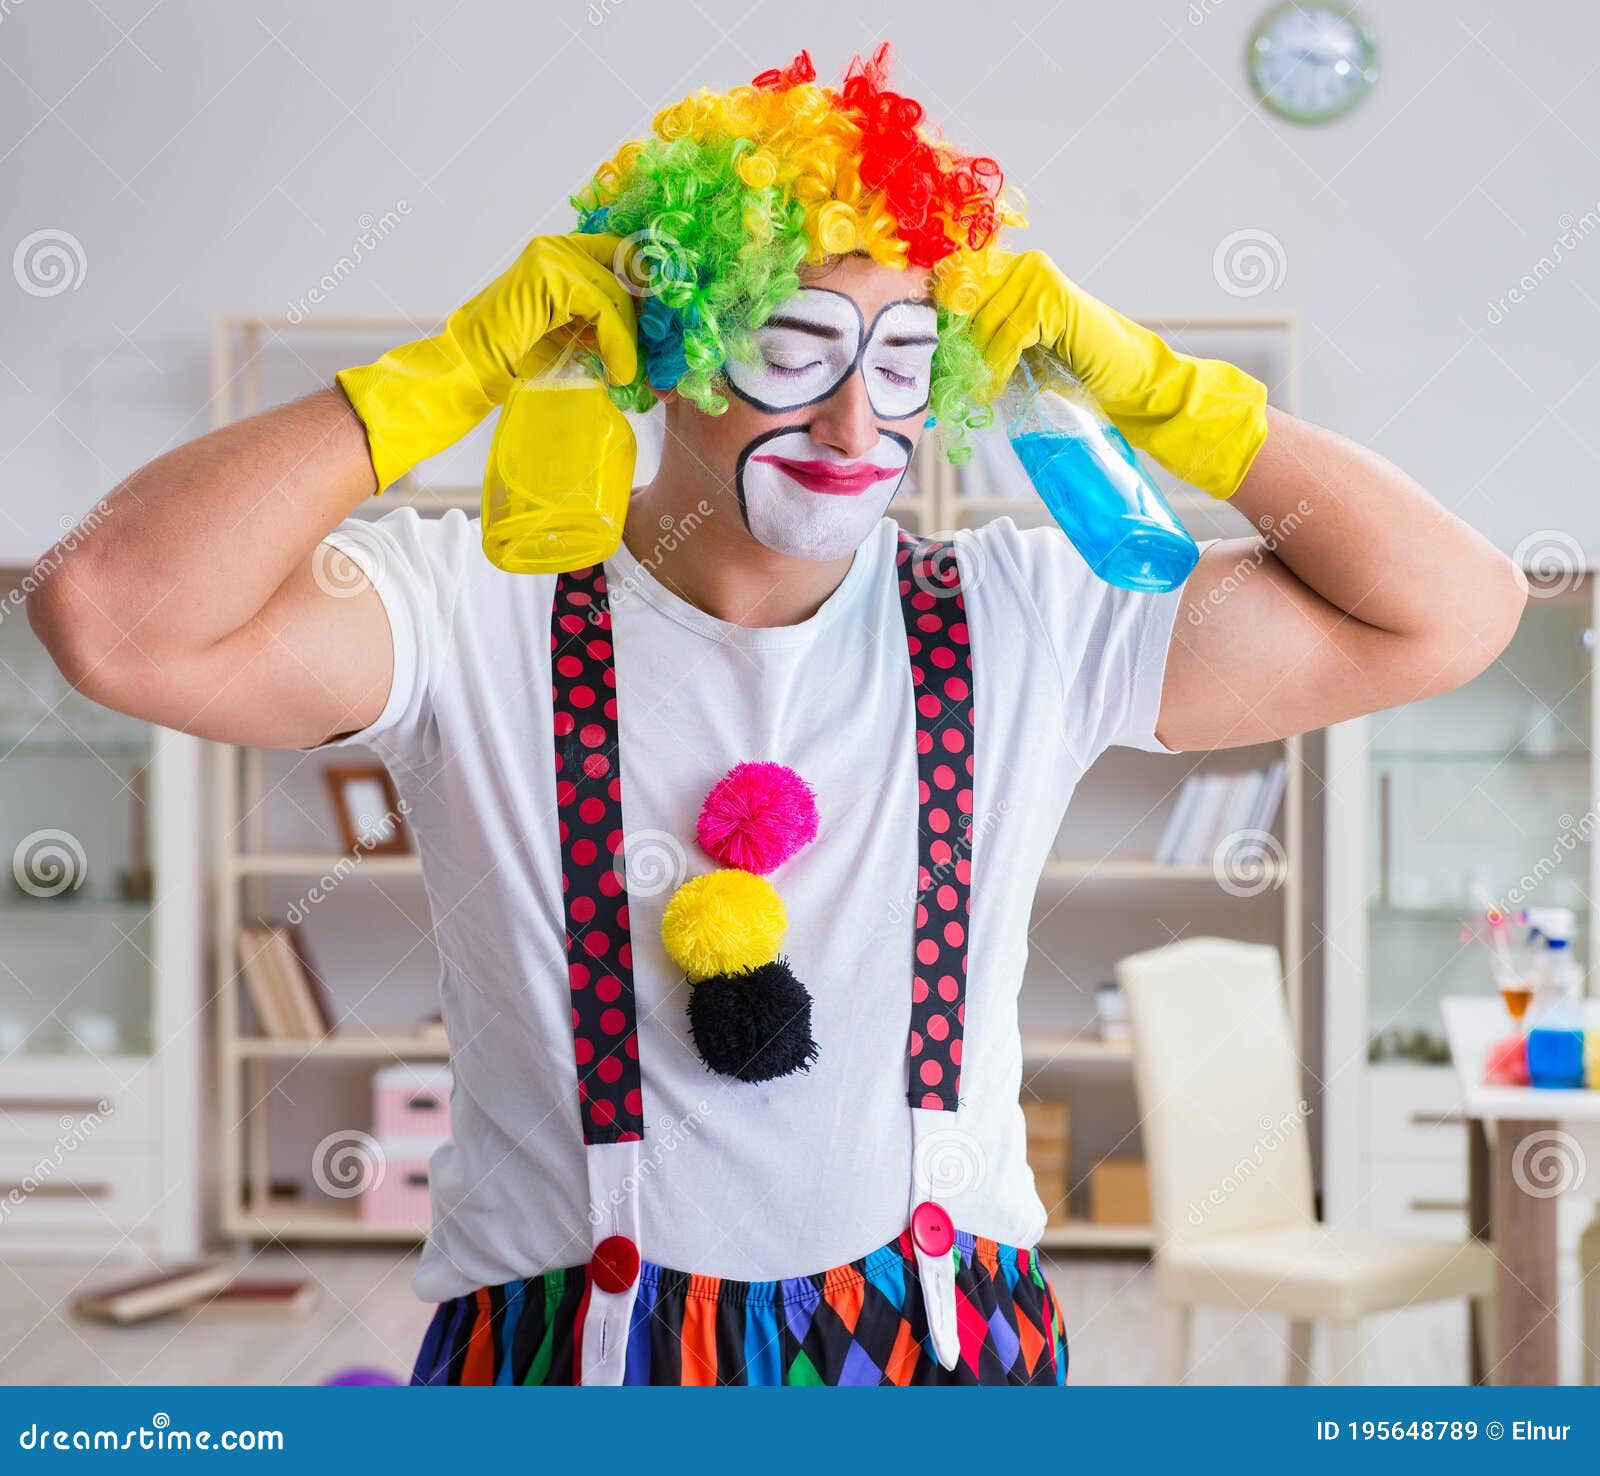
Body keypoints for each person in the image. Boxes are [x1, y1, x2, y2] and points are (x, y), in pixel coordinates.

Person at [28, 46, 1525, 1386]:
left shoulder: (1030, 614)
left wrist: (1158, 391)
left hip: (948, 1351)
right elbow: (105, 610)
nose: (858, 424)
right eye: (797, 353)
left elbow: (1454, 610)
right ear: (666, 348)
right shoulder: (468, 604)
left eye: (899, 361)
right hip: (563, 1354)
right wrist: (456, 370)